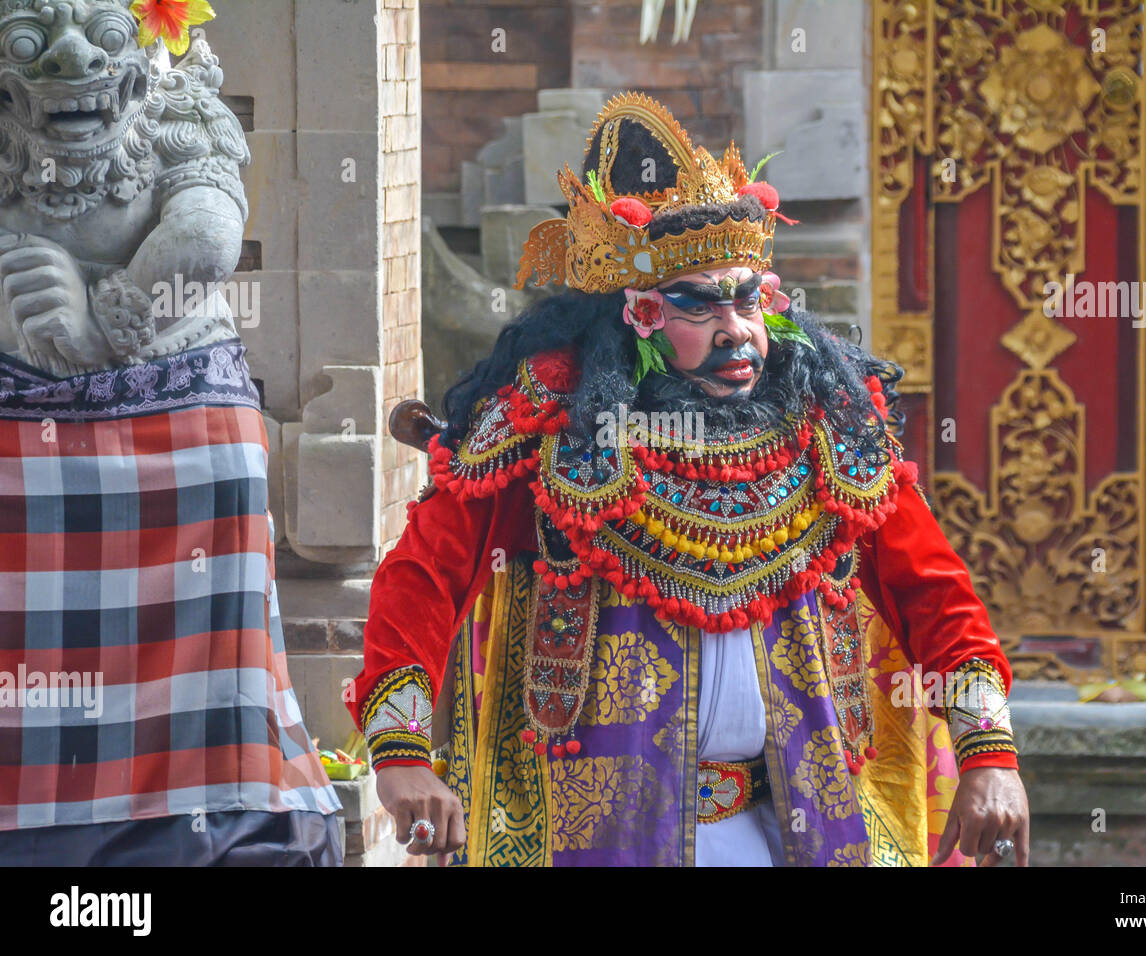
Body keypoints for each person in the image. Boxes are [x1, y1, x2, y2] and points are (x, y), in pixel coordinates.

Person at [350, 92, 1028, 867]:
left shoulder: (826, 422)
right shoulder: (549, 423)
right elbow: (422, 578)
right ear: (635, 313)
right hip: (589, 839)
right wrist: (400, 755)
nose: (737, 329)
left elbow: (935, 593)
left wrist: (990, 754)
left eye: (748, 298)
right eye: (700, 305)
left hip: (803, 829)